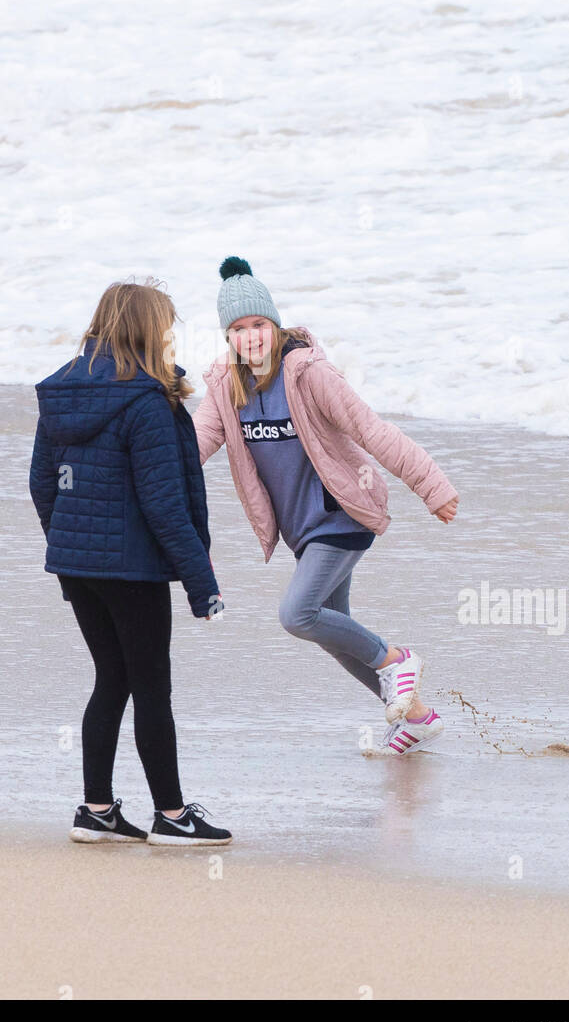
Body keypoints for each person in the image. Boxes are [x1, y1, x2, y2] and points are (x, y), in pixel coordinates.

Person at [192, 256, 459, 755]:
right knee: (332, 633)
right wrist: (133, 474)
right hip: (304, 531)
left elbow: (371, 430)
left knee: (298, 615)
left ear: (274, 326)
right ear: (227, 336)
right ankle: (417, 718)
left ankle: (397, 659)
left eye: (259, 325)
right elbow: (194, 445)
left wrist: (432, 485)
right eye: (238, 328)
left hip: (342, 512)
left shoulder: (308, 373)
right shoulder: (226, 386)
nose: (250, 336)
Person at [29, 278, 231, 843]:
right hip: (132, 569)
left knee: (111, 679)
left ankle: (96, 810)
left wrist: (68, 545)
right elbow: (164, 505)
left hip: (78, 564)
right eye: (165, 327)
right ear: (146, 329)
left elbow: (42, 483)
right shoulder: (145, 401)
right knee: (151, 688)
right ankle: (172, 815)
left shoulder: (64, 392)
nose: (169, 338)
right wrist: (202, 584)